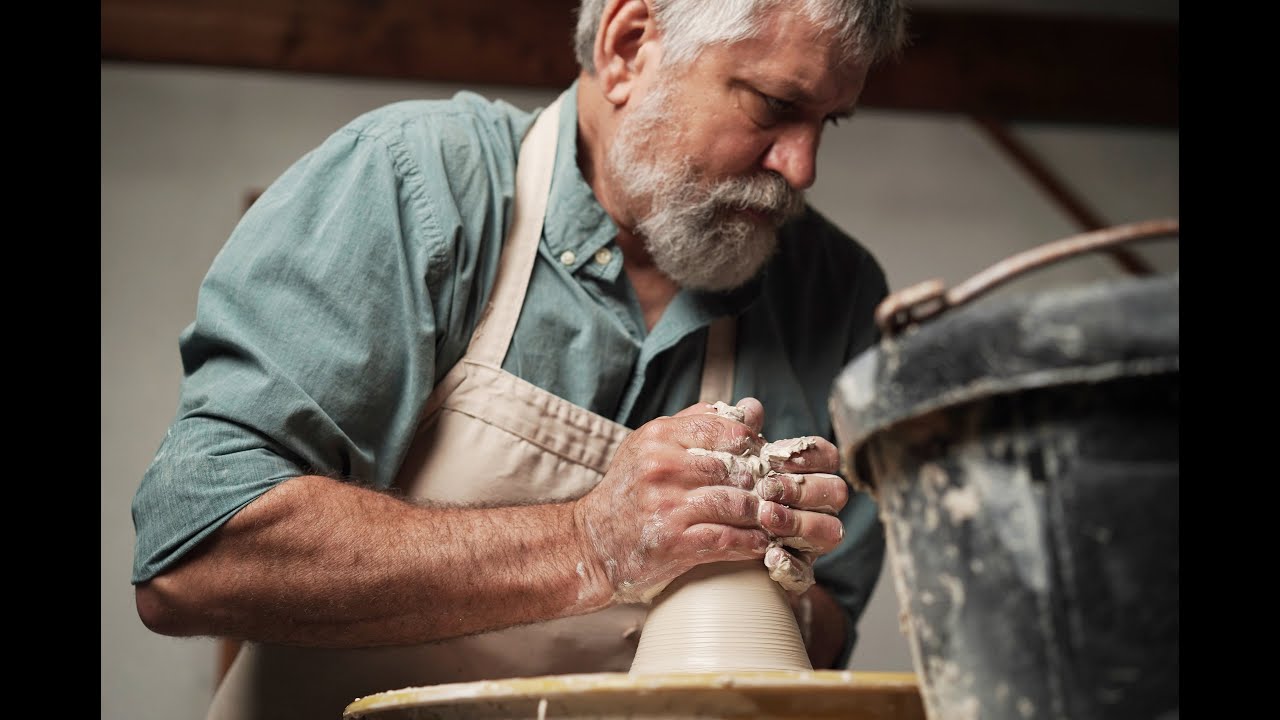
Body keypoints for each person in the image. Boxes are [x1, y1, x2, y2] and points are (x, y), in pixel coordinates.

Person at [131, 0, 907, 717]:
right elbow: (194, 555)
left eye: (828, 123)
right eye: (775, 106)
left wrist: (773, 576)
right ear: (629, 45)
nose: (801, 170)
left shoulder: (835, 298)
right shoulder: (417, 186)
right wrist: (592, 545)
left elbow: (828, 629)